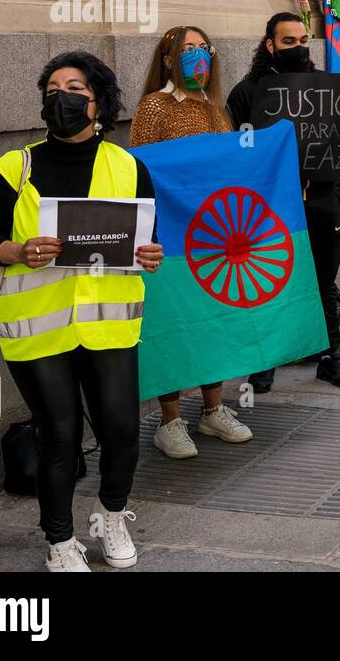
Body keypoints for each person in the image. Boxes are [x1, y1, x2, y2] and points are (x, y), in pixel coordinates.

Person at [0, 51, 163, 571]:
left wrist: (151, 253)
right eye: (52, 90)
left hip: (109, 327)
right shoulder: (16, 166)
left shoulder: (128, 166)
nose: (61, 98)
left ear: (98, 102)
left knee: (122, 430)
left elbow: (147, 238)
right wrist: (16, 250)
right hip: (38, 330)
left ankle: (111, 515)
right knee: (59, 435)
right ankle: (59, 541)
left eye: (74, 89)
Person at [227, 12, 340, 393]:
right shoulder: (246, 93)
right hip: (269, 209)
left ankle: (330, 355)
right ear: (269, 44)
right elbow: (236, 152)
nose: (299, 47)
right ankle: (265, 361)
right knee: (269, 283)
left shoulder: (328, 90)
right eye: (289, 41)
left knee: (323, 280)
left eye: (304, 40)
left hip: (322, 201)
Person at [130, 25, 253, 459]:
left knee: (211, 318)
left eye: (204, 47)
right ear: (168, 60)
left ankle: (213, 409)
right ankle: (170, 419)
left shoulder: (218, 108)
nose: (198, 55)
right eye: (188, 49)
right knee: (173, 320)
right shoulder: (155, 105)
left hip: (214, 235)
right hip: (170, 234)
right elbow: (140, 168)